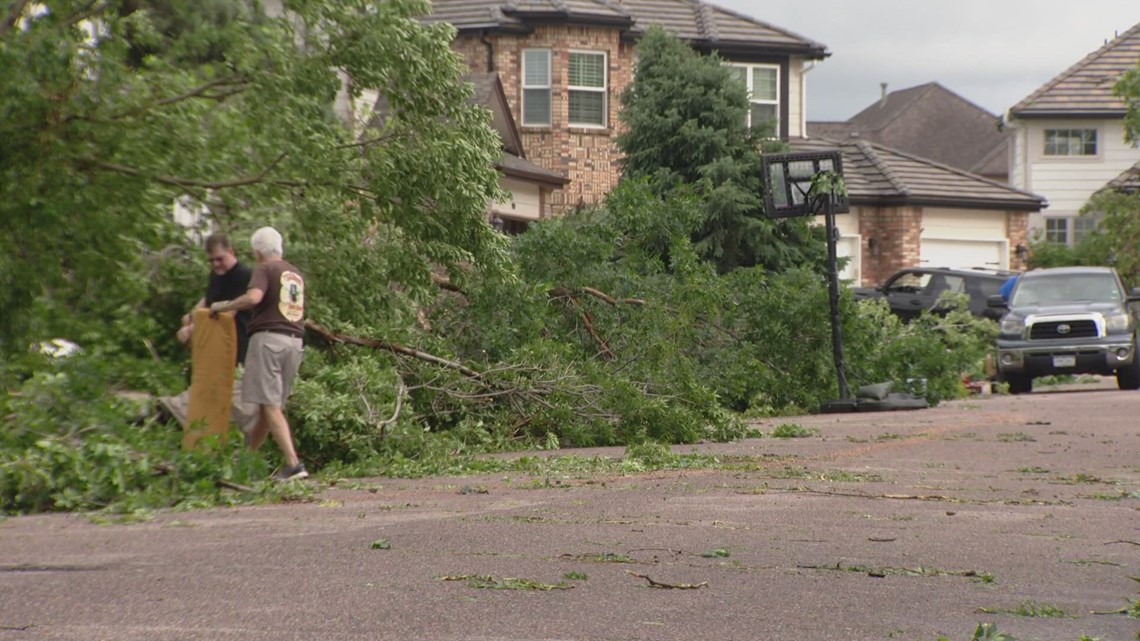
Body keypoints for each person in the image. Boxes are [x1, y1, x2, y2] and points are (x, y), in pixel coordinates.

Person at [209, 227, 308, 481]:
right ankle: (247, 459)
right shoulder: (294, 273)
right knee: (270, 406)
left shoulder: (265, 269)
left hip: (269, 340)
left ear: (257, 252)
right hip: (294, 342)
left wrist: (225, 306)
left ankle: (294, 464)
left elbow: (254, 298)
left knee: (271, 406)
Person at [177, 233, 253, 366]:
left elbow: (228, 314)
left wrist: (195, 328)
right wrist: (190, 318)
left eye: (220, 259)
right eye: (211, 260)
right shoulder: (216, 274)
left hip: (236, 343)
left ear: (230, 251)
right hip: (215, 343)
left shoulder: (243, 275)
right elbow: (208, 300)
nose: (216, 264)